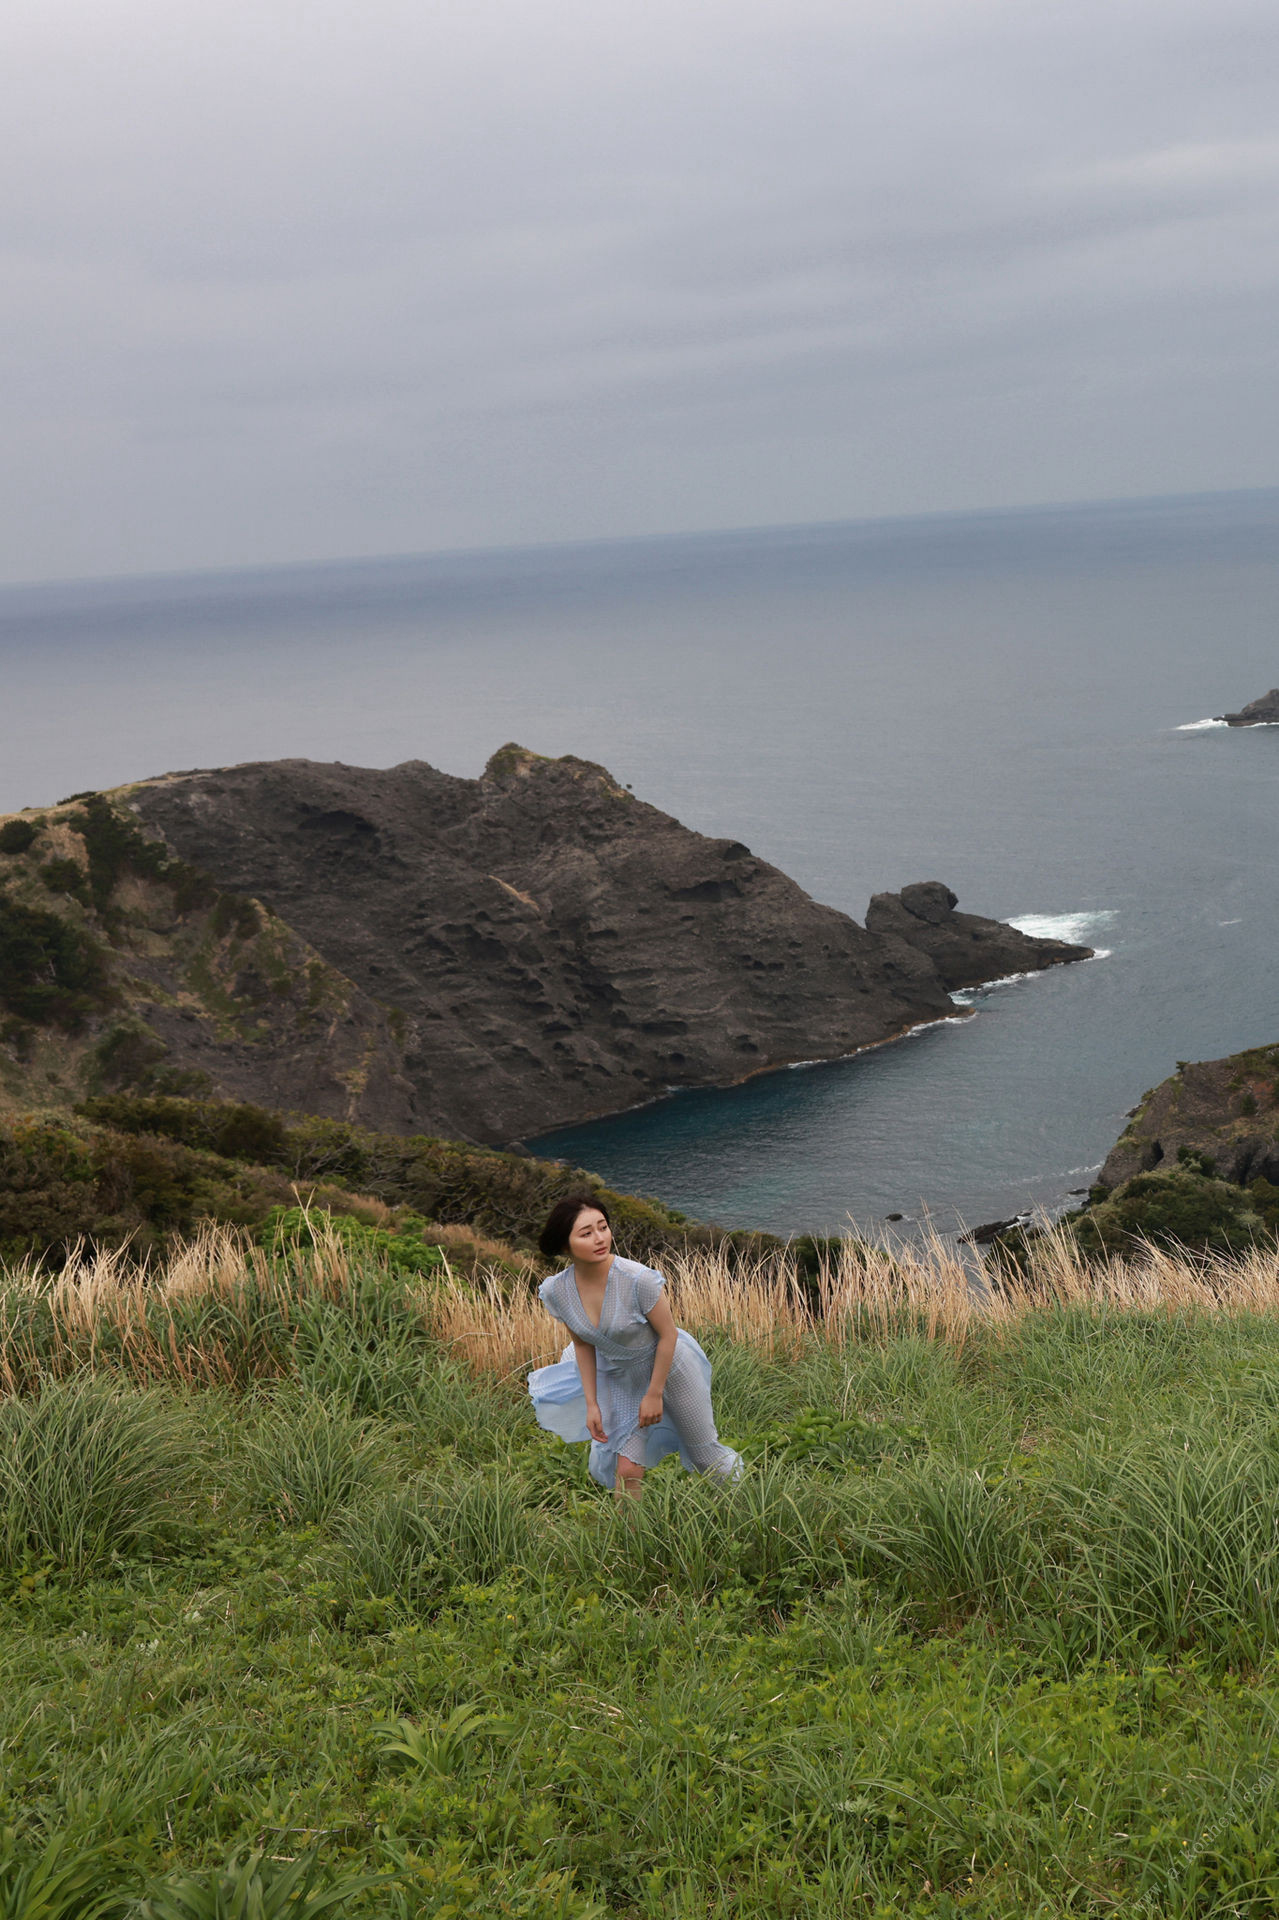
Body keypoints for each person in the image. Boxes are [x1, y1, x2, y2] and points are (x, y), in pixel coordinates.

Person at [526, 1192, 742, 1499]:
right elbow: (583, 1345)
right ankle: (629, 1531)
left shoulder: (638, 1279)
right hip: (621, 1378)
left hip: (671, 1368)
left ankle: (743, 1506)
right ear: (565, 1245)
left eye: (603, 1227)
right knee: (627, 1471)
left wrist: (654, 1394)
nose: (600, 1238)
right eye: (586, 1233)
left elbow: (668, 1336)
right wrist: (592, 1404)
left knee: (704, 1455)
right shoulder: (557, 1291)